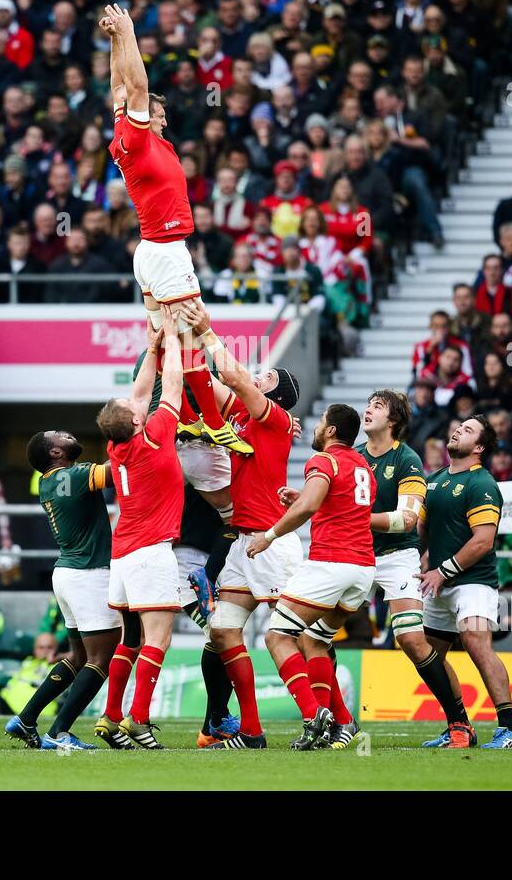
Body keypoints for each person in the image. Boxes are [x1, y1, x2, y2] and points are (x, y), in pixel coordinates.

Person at [99, 3, 249, 456]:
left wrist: (113, 41)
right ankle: (215, 422)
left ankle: (188, 420)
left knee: (165, 340)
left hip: (149, 251)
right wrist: (128, 31)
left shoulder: (123, 129)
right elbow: (138, 84)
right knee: (188, 339)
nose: (163, 121)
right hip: (166, 250)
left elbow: (121, 85)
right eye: (159, 115)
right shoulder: (141, 137)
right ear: (153, 118)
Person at [178, 300, 302, 750]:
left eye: (266, 377)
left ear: (276, 395)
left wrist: (207, 332)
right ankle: (249, 730)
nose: (258, 375)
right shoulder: (246, 418)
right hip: (244, 542)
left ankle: (333, 720)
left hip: (271, 542)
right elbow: (209, 380)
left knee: (291, 637)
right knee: (223, 630)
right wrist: (180, 337)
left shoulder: (272, 417)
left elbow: (229, 376)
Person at [247, 403, 374, 750]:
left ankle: (313, 715)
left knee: (277, 636)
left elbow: (310, 507)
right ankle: (342, 723)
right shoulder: (363, 466)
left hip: (330, 564)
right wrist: (303, 496)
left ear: (331, 430)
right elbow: (341, 504)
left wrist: (268, 536)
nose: (316, 427)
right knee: (315, 641)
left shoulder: (323, 460)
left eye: (320, 422)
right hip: (362, 570)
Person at [92, 307, 184, 749]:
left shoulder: (118, 444)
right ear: (134, 421)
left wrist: (151, 345)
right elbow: (173, 386)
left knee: (129, 638)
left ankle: (110, 716)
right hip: (150, 550)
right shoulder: (155, 435)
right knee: (158, 638)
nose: (137, 404)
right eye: (132, 408)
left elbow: (142, 390)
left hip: (123, 551)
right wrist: (174, 341)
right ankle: (139, 719)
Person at [358, 389, 464, 742]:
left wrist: (357, 516)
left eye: (378, 406)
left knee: (410, 639)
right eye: (368, 404)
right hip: (355, 553)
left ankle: (458, 722)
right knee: (316, 632)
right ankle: (337, 721)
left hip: (396, 557)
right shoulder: (351, 457)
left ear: (393, 421)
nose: (368, 409)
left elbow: (406, 519)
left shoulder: (407, 460)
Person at [10, 430, 119, 751]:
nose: (66, 433)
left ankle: (26, 718)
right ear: (55, 454)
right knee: (102, 659)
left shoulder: (48, 481)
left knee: (80, 656)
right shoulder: (76, 474)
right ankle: (59, 732)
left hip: (68, 574)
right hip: (89, 574)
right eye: (58, 436)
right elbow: (121, 469)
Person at [418, 415, 512, 749]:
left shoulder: (483, 484)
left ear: (478, 447)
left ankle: (509, 728)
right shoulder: (433, 480)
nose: (458, 428)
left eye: (468, 429)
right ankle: (459, 724)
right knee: (430, 656)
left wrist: (442, 570)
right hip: (437, 583)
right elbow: (421, 533)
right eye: (458, 425)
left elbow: (483, 542)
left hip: (473, 582)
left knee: (477, 642)